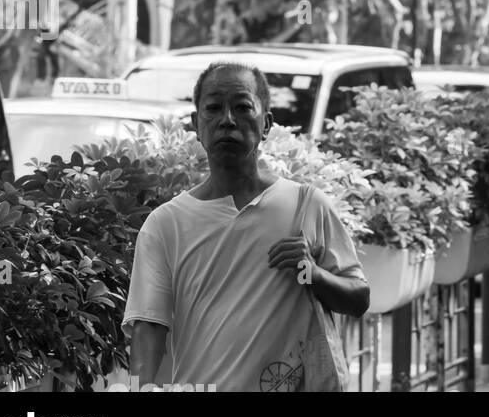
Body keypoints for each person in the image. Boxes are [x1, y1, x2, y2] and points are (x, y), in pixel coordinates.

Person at [123, 61, 370, 391]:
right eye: (213, 108)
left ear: (266, 123)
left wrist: (312, 273)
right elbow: (148, 328)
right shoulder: (166, 224)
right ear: (197, 124)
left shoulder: (305, 205)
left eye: (242, 107)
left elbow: (359, 299)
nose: (227, 120)